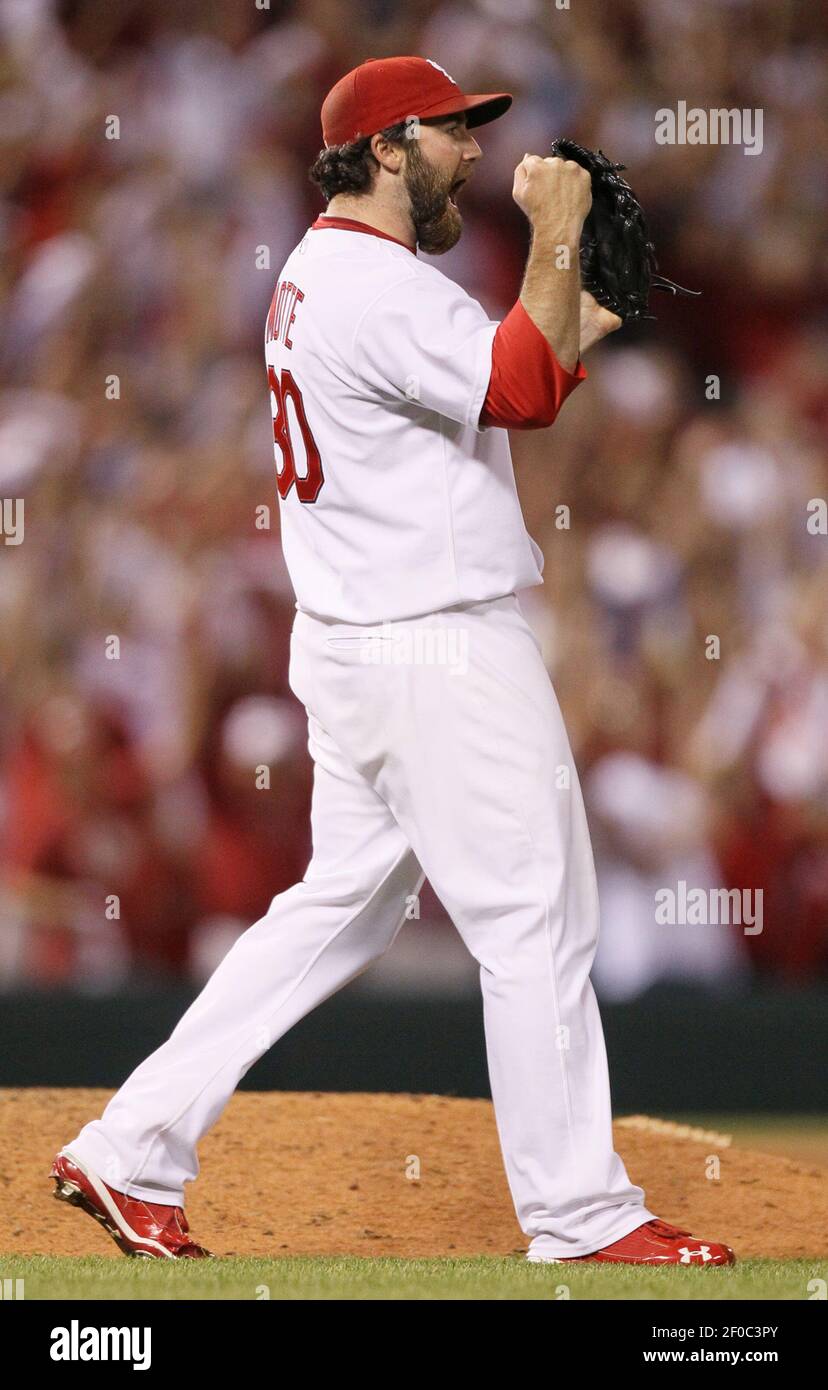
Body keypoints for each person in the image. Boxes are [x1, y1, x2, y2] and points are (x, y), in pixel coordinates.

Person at [50, 56, 735, 1267]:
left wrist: (570, 297)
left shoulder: (327, 278)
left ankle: (130, 1144)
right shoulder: (377, 285)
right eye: (450, 132)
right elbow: (519, 387)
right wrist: (558, 228)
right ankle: (582, 1216)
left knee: (336, 912)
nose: (472, 151)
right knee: (536, 922)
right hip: (437, 645)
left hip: (362, 646)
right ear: (381, 149)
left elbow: (520, 375)